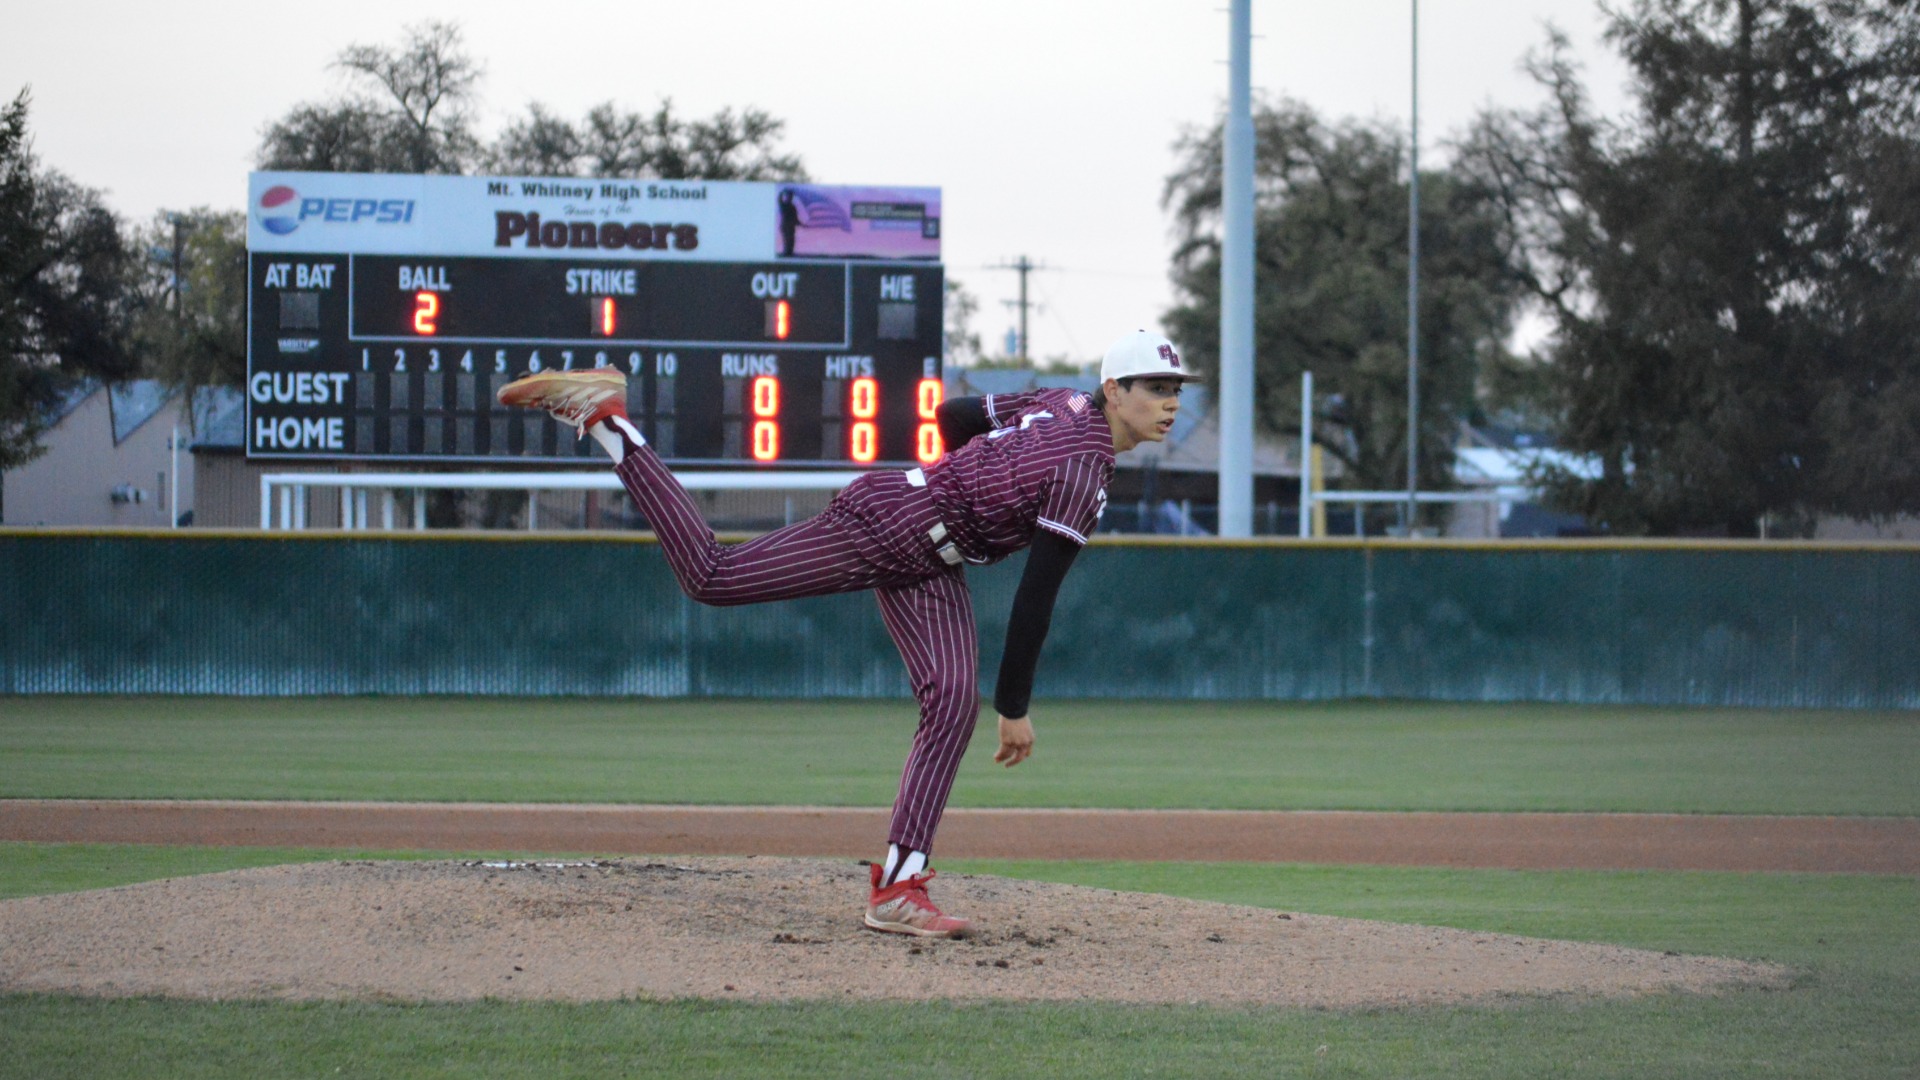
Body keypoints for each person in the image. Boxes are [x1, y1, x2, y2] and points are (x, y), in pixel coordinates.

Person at [496, 330, 1195, 937]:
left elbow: (954, 416)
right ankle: (609, 421)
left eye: (1175, 389)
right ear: (1113, 387)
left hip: (929, 547)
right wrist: (1014, 708)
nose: (1169, 402)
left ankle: (897, 889)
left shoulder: (1060, 403)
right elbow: (1035, 600)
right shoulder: (1085, 470)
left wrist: (965, 488)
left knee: (951, 702)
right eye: (1154, 386)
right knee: (712, 576)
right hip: (894, 524)